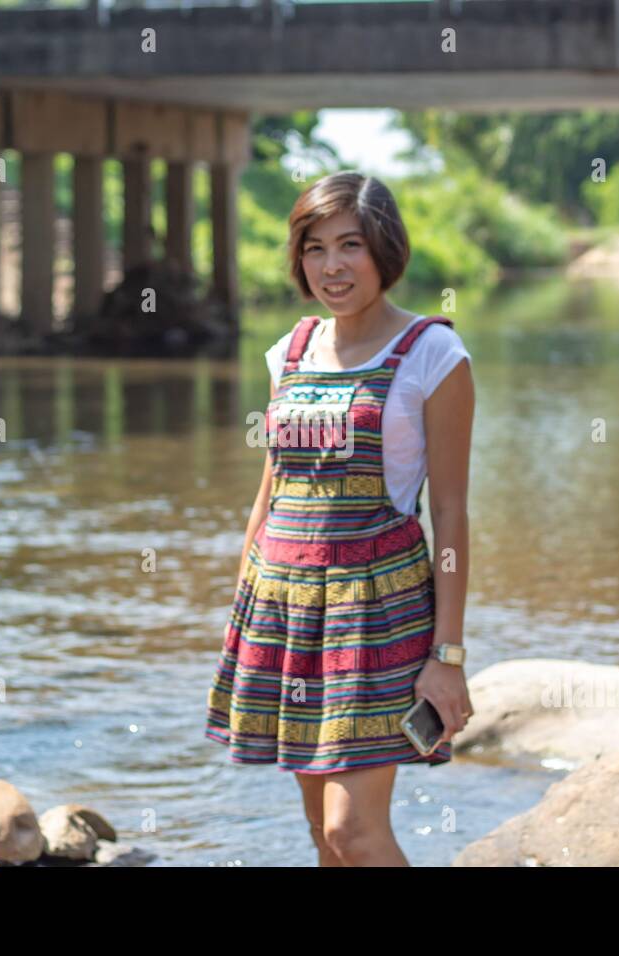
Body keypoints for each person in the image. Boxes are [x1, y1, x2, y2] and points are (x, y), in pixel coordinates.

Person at [205, 171, 475, 866]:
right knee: (325, 839)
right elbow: (269, 496)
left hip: (376, 614)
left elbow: (449, 514)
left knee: (353, 831)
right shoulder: (288, 353)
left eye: (349, 245)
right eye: (314, 248)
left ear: (384, 247)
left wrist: (447, 655)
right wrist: (243, 613)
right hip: (286, 608)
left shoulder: (434, 355)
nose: (331, 266)